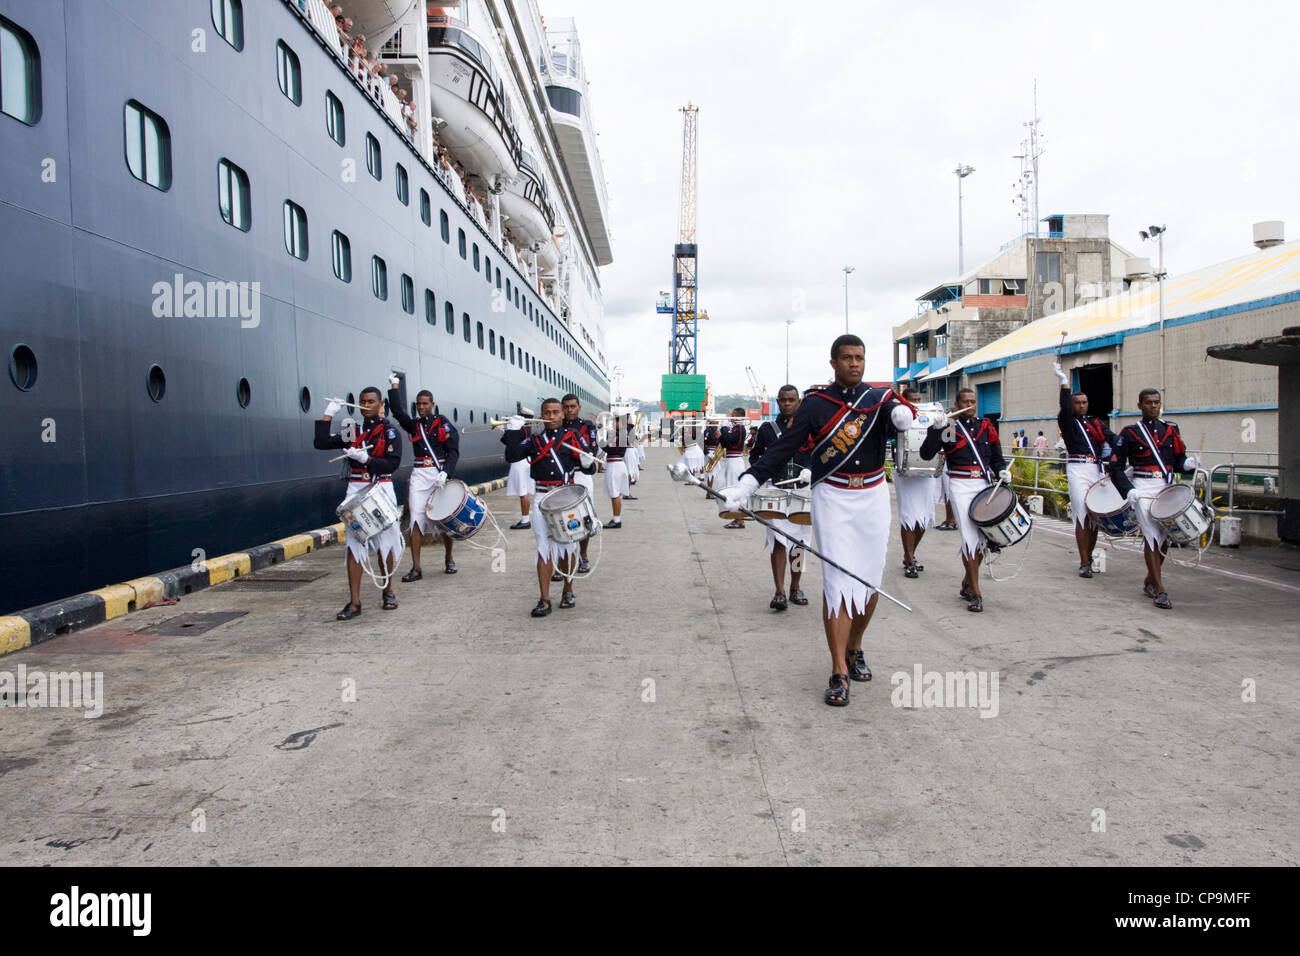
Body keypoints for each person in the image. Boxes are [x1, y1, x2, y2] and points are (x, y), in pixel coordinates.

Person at [725, 335, 916, 707]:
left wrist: (905, 418)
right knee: (838, 581)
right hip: (833, 497)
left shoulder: (879, 400)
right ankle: (838, 670)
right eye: (847, 358)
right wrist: (747, 483)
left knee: (870, 580)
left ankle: (855, 647)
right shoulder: (815, 404)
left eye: (860, 357)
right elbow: (782, 449)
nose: (855, 364)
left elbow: (906, 429)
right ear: (833, 363)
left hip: (874, 496)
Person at [502, 399, 597, 615]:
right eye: (547, 412)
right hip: (542, 498)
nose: (552, 416)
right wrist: (515, 432)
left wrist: (585, 462)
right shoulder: (535, 441)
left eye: (556, 412)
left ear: (563, 414)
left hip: (566, 498)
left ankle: (568, 589)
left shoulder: (573, 437)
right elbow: (512, 455)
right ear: (542, 414)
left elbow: (590, 468)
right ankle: (544, 599)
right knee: (543, 547)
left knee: (568, 547)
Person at [315, 389, 403, 618]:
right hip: (356, 487)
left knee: (386, 541)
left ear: (380, 403)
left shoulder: (389, 431)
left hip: (381, 487)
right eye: (362, 401)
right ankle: (354, 602)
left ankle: (388, 591)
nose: (365, 405)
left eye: (370, 401)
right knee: (354, 543)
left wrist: (367, 459)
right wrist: (328, 414)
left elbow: (393, 464)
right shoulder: (353, 431)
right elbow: (321, 442)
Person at [920, 389, 1009, 613]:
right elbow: (927, 453)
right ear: (957, 403)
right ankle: (976, 593)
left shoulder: (986, 427)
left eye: (973, 401)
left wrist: (1002, 470)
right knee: (969, 538)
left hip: (984, 485)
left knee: (981, 539)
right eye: (965, 401)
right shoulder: (950, 427)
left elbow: (996, 457)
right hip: (960, 485)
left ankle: (967, 582)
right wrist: (935, 429)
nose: (970, 405)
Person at [1108, 389, 1199, 610]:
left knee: (1164, 536)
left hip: (1165, 486)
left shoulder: (1170, 430)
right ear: (1140, 406)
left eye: (1157, 402)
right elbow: (1115, 466)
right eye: (1149, 403)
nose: (1154, 406)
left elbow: (1177, 460)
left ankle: (1150, 580)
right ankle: (1160, 590)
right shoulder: (1130, 432)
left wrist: (1187, 465)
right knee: (1151, 536)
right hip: (1142, 487)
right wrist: (1128, 489)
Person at [387, 378, 459, 579]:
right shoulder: (414, 425)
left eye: (425, 404)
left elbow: (453, 450)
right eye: (418, 404)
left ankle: (449, 557)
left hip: (439, 474)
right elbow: (397, 412)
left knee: (444, 519)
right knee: (416, 520)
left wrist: (446, 472)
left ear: (432, 405)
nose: (421, 407)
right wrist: (394, 387)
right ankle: (416, 567)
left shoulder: (442, 423)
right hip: (420, 475)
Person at [1053, 360, 1119, 578]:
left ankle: (1089, 556)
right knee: (1081, 512)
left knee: (1094, 516)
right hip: (1078, 469)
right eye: (1077, 403)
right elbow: (1064, 410)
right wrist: (1064, 384)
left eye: (1084, 402)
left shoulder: (1095, 422)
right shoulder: (1068, 422)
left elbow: (1114, 439)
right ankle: (1083, 562)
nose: (1082, 406)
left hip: (1097, 470)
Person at [749, 385, 812, 610]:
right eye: (783, 400)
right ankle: (779, 591)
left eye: (791, 400)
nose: (787, 403)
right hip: (776, 493)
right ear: (778, 401)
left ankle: (795, 587)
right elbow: (755, 456)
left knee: (799, 544)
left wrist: (812, 469)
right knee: (778, 541)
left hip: (802, 493)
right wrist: (761, 475)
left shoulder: (810, 427)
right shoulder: (768, 428)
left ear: (799, 402)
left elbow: (820, 453)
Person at [894, 386, 936, 578]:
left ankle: (909, 554)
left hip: (927, 473)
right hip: (906, 473)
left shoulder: (932, 415)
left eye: (919, 400)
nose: (917, 403)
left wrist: (947, 424)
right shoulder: (897, 417)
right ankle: (910, 558)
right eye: (913, 400)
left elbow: (947, 440)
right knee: (909, 516)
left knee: (924, 517)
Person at [561, 394, 598, 574]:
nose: (569, 410)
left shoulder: (587, 426)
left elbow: (593, 449)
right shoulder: (556, 427)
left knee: (584, 518)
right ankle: (563, 559)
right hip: (563, 476)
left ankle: (583, 555)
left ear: (579, 407)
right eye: (566, 407)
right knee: (563, 519)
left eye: (572, 406)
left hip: (582, 474)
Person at [718, 409, 749, 529]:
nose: (730, 416)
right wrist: (720, 435)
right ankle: (737, 518)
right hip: (732, 461)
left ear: (737, 416)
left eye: (732, 415)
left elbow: (728, 439)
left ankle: (739, 519)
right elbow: (726, 443)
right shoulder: (736, 428)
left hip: (735, 461)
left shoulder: (739, 428)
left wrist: (724, 429)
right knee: (732, 489)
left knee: (735, 490)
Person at [601, 419, 630, 529]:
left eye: (615, 422)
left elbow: (612, 450)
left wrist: (603, 444)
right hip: (617, 464)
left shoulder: (620, 435)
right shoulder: (618, 435)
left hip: (615, 464)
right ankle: (616, 518)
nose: (613, 424)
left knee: (614, 493)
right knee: (616, 492)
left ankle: (617, 520)